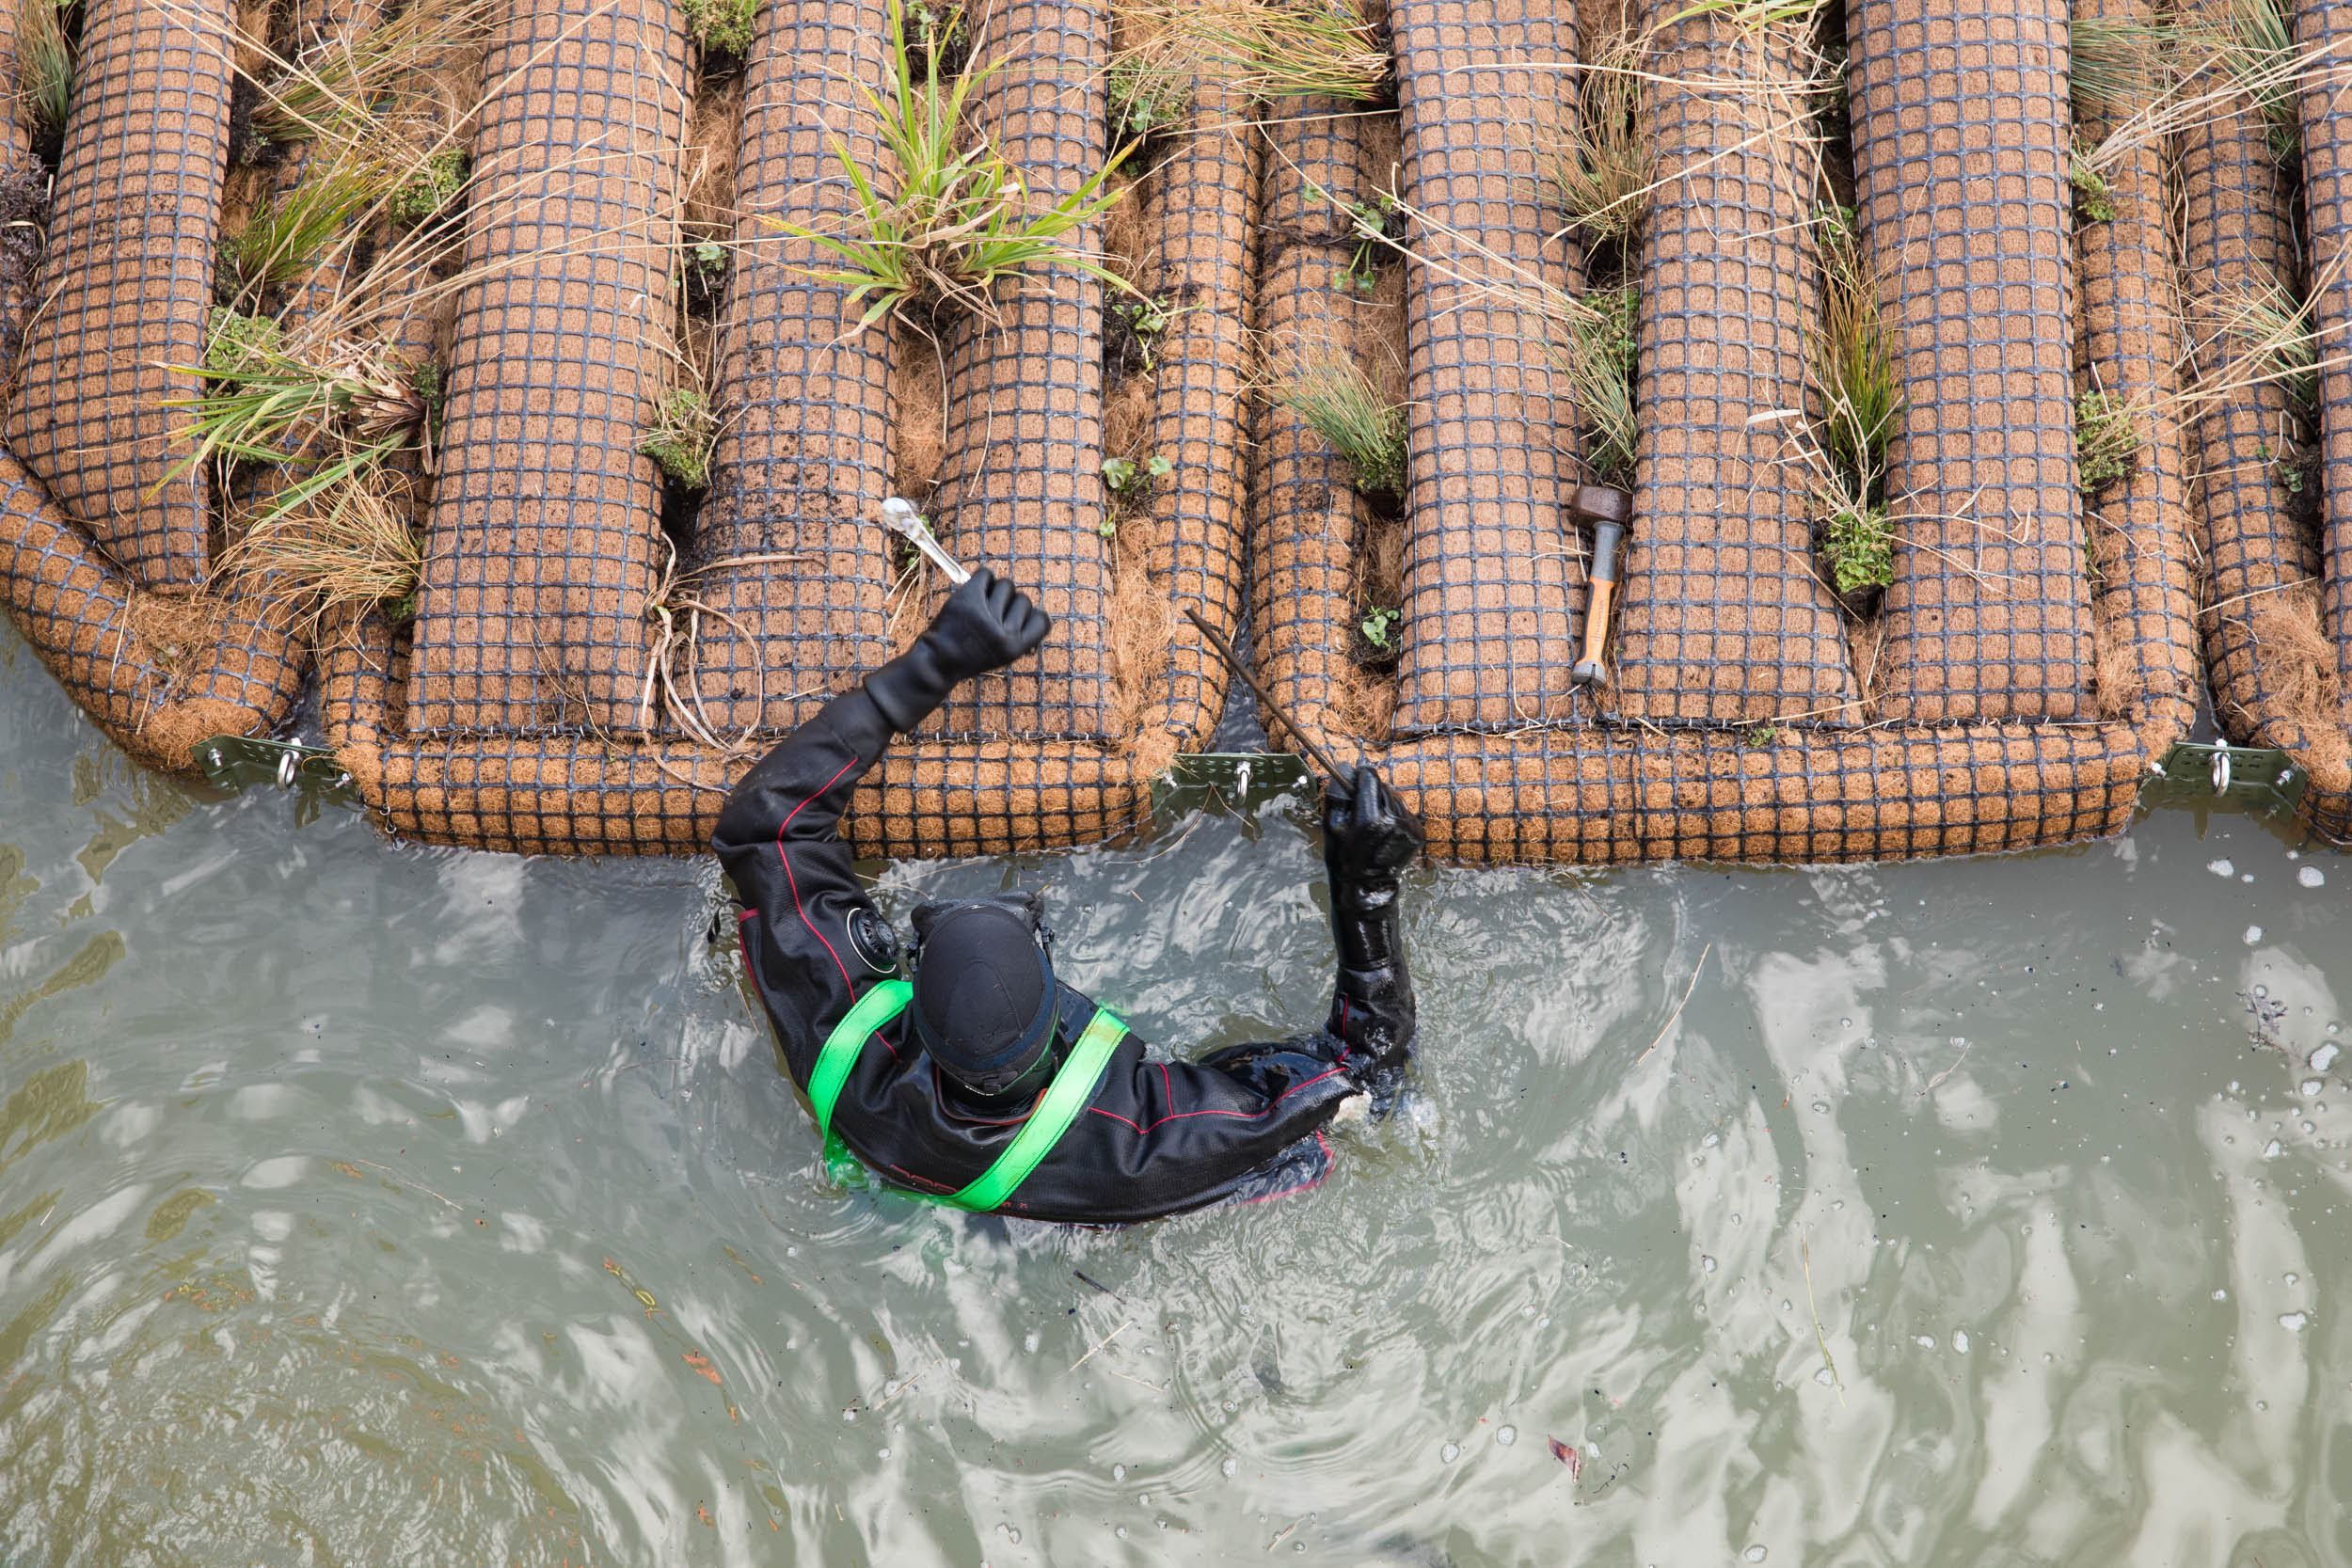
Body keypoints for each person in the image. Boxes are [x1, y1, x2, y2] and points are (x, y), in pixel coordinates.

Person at [713, 568, 1422, 1224]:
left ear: (916, 1024)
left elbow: (762, 827)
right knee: (1308, 1141)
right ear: (1058, 999)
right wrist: (1367, 890)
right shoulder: (1141, 1140)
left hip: (927, 1174)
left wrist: (931, 664)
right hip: (1111, 1194)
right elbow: (1366, 1073)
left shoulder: (848, 1049)